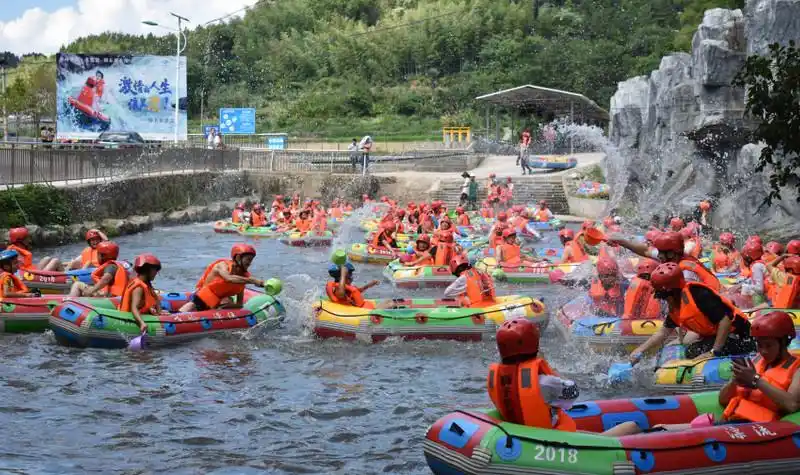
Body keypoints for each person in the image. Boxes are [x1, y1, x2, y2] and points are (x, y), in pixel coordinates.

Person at [614, 311, 799, 436]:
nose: (763, 350)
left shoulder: (796, 368)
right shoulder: (758, 362)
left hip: (752, 430)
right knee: (643, 427)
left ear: (784, 342)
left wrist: (756, 381)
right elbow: (723, 400)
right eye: (759, 344)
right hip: (730, 423)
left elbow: (792, 404)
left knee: (657, 431)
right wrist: (736, 381)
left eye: (769, 345)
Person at [629, 262, 754, 363]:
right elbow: (663, 332)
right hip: (718, 337)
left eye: (664, 296)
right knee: (691, 350)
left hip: (740, 337)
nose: (664, 300)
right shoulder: (676, 306)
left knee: (696, 350)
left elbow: (726, 320)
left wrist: (714, 352)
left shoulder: (698, 294)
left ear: (673, 291)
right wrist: (639, 351)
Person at [487, 318, 579, 432]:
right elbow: (574, 392)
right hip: (549, 438)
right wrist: (550, 368)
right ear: (535, 345)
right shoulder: (546, 383)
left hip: (516, 434)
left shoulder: (494, 381)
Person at [609, 230, 721, 291]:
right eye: (659, 252)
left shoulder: (686, 270)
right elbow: (646, 251)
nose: (660, 256)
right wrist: (622, 241)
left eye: (662, 252)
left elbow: (688, 297)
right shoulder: (672, 255)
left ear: (673, 252)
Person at [179, 244, 265, 312]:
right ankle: (177, 315)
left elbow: (239, 304)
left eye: (251, 260)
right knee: (194, 304)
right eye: (248, 259)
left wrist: (226, 306)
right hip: (201, 298)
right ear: (238, 257)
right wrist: (253, 280)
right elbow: (228, 278)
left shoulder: (242, 277)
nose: (250, 263)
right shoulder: (222, 265)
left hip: (217, 303)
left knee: (227, 301)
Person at [119, 254, 163, 333]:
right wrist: (141, 323)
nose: (156, 273)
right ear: (148, 269)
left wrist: (159, 312)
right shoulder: (138, 287)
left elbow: (154, 300)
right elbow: (134, 307)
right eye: (155, 270)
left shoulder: (146, 283)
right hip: (129, 319)